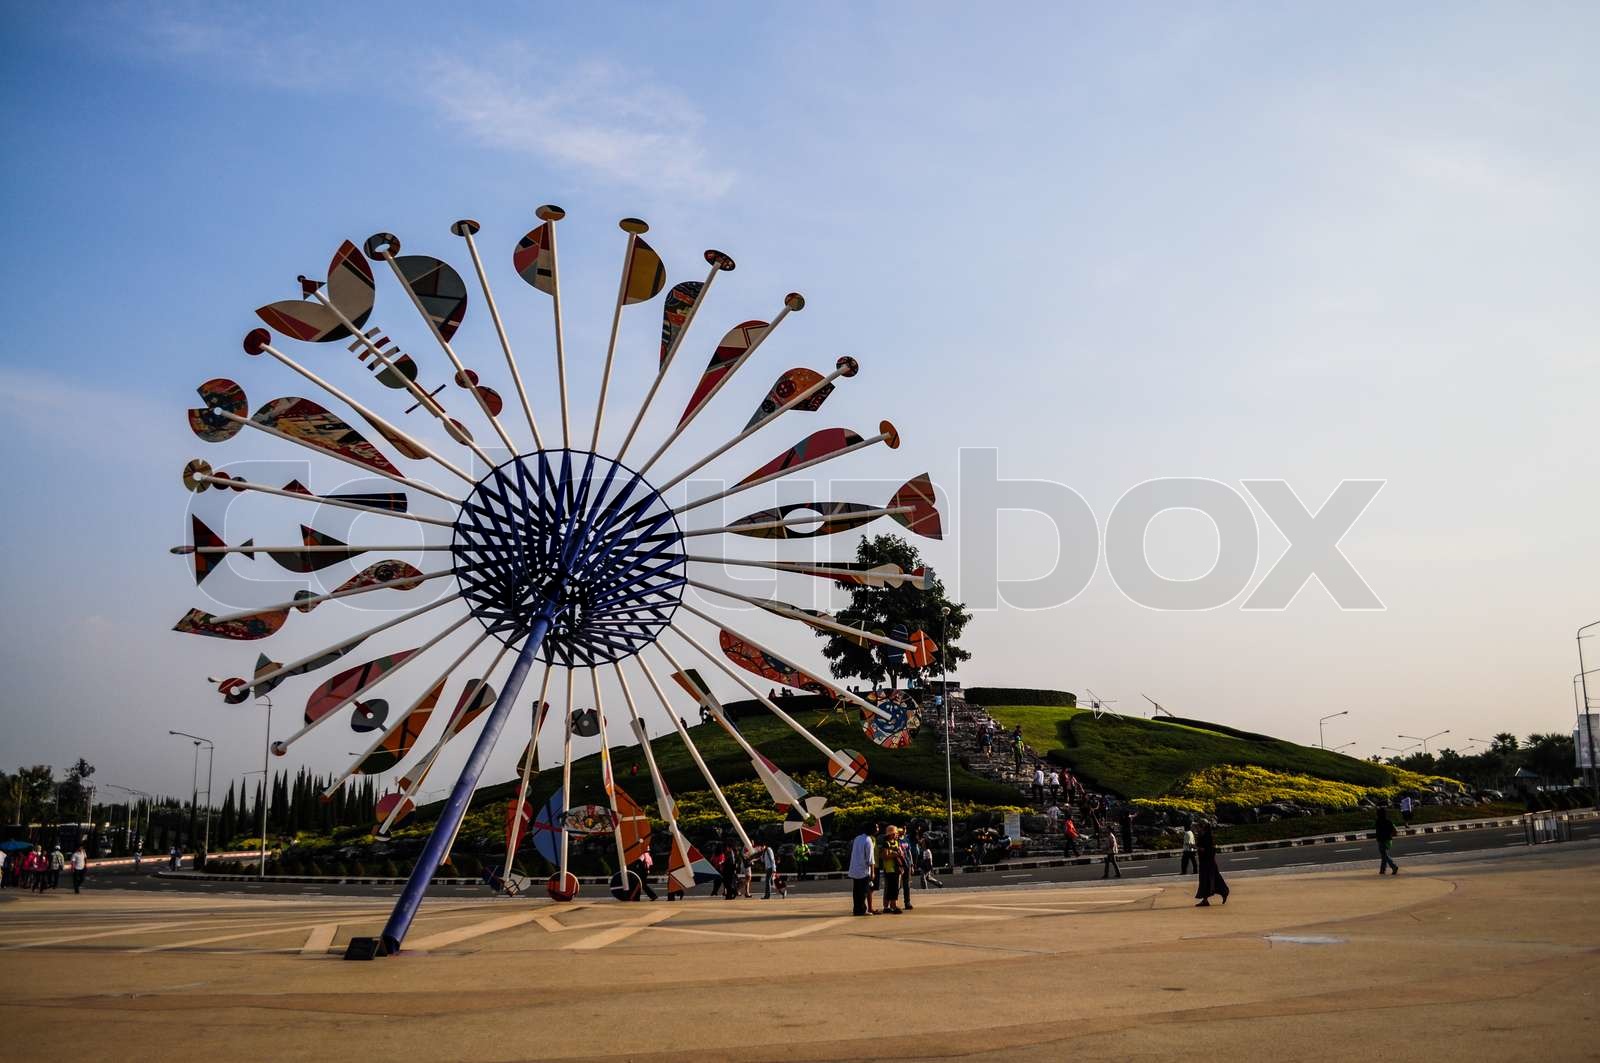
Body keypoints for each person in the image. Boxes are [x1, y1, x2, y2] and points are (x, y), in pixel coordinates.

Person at [1195, 822, 1229, 905]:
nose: (1197, 829)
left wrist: (1196, 847)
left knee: (1211, 879)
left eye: (1199, 827)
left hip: (1208, 862)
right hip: (1205, 862)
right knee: (1206, 880)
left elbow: (1207, 850)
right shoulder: (1202, 836)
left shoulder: (1207, 838)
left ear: (1203, 828)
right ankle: (1206, 899)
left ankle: (1224, 892)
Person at [849, 823, 877, 916]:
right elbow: (870, 858)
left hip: (855, 869)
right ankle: (862, 910)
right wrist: (872, 872)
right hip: (863, 870)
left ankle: (856, 909)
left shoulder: (857, 838)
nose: (877, 829)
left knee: (856, 891)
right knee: (863, 892)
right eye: (876, 827)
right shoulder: (868, 840)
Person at [878, 826, 904, 913]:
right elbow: (885, 856)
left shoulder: (896, 843)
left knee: (895, 888)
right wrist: (895, 855)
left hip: (896, 868)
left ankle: (892, 905)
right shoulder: (886, 843)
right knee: (889, 888)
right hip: (889, 869)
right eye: (895, 833)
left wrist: (899, 854)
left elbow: (901, 854)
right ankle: (889, 906)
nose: (896, 835)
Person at [1376, 808, 1400, 875]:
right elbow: (1395, 830)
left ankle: (1394, 866)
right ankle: (1382, 870)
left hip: (1382, 840)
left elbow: (1378, 832)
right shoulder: (1389, 821)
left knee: (1384, 855)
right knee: (1384, 855)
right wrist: (1390, 835)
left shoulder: (1378, 821)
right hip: (1388, 840)